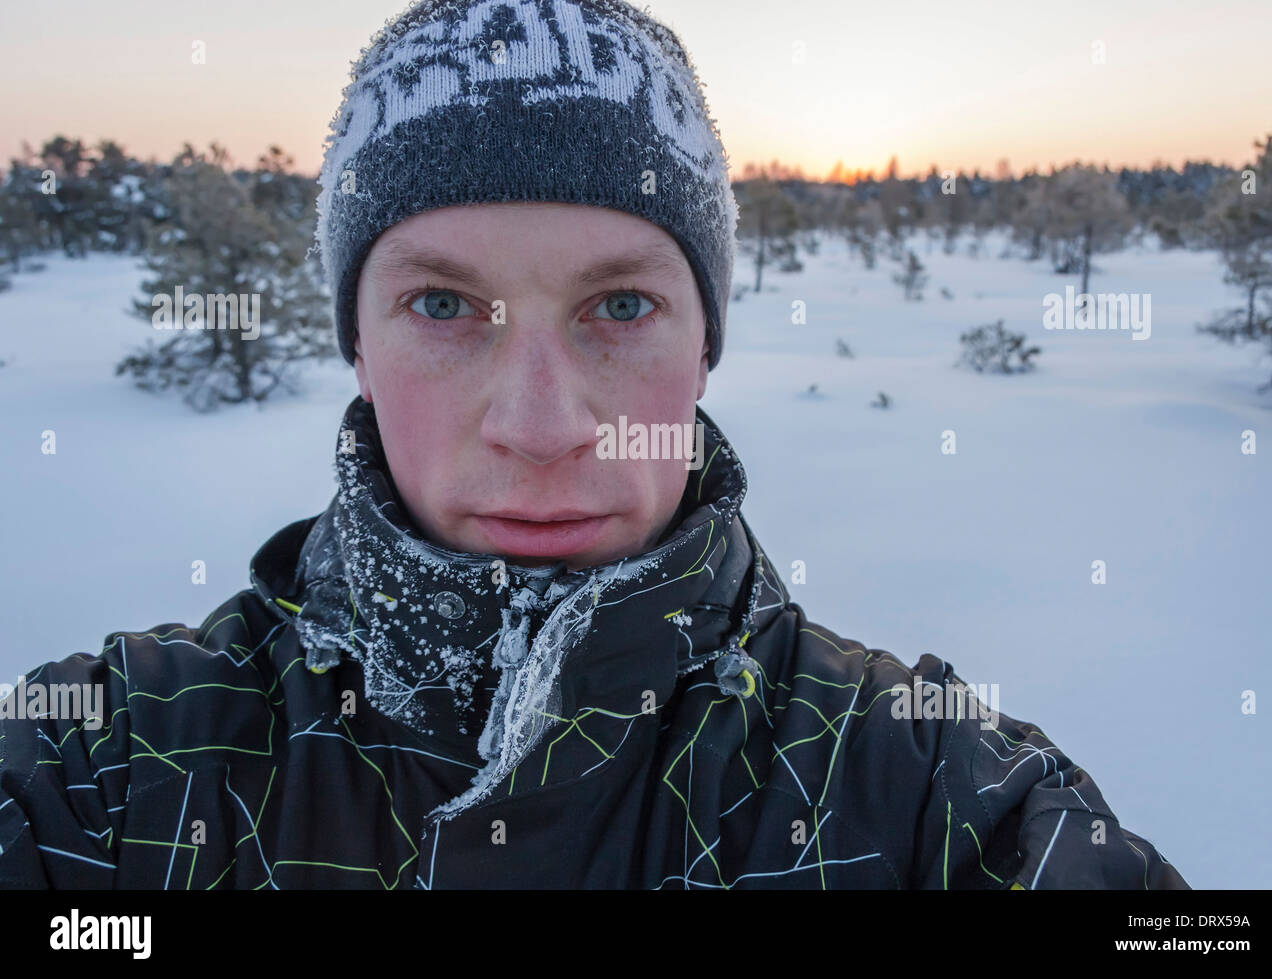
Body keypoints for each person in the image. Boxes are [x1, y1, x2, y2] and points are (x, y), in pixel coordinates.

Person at [0, 0, 1188, 889]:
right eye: (443, 307)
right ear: (355, 345)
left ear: (704, 344)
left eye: (619, 307)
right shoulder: (105, 770)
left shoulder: (929, 787)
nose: (542, 424)